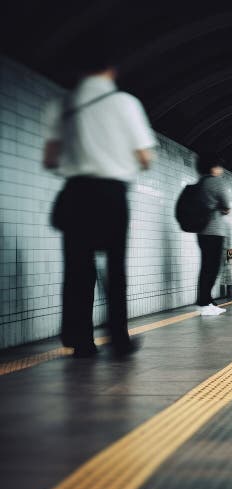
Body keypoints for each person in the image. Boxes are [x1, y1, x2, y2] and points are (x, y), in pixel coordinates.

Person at [43, 46, 156, 357]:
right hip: (111, 194)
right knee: (115, 268)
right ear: (111, 69)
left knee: (78, 269)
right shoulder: (125, 103)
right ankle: (119, 338)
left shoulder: (61, 104)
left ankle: (80, 340)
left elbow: (50, 159)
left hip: (76, 192)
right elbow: (145, 158)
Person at [193, 154, 231, 315]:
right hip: (214, 231)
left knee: (206, 267)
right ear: (213, 167)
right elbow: (227, 205)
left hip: (202, 231)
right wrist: (222, 208)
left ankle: (206, 301)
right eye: (219, 166)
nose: (221, 170)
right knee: (212, 267)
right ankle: (204, 303)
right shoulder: (216, 181)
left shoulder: (200, 182)